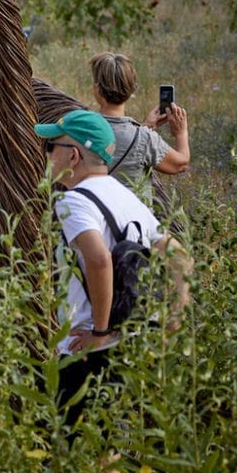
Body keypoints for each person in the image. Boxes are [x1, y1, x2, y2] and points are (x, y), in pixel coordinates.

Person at [37, 110, 191, 428]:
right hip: (130, 341)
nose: (48, 155)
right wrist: (174, 317)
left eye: (51, 147)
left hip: (87, 350)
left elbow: (99, 260)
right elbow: (179, 257)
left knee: (76, 448)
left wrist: (100, 331)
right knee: (109, 446)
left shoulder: (73, 202)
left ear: (73, 154)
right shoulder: (126, 196)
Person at [87, 52, 189, 201]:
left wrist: (146, 127)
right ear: (132, 89)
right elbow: (180, 164)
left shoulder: (81, 129)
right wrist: (181, 133)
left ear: (97, 89)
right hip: (133, 223)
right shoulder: (144, 138)